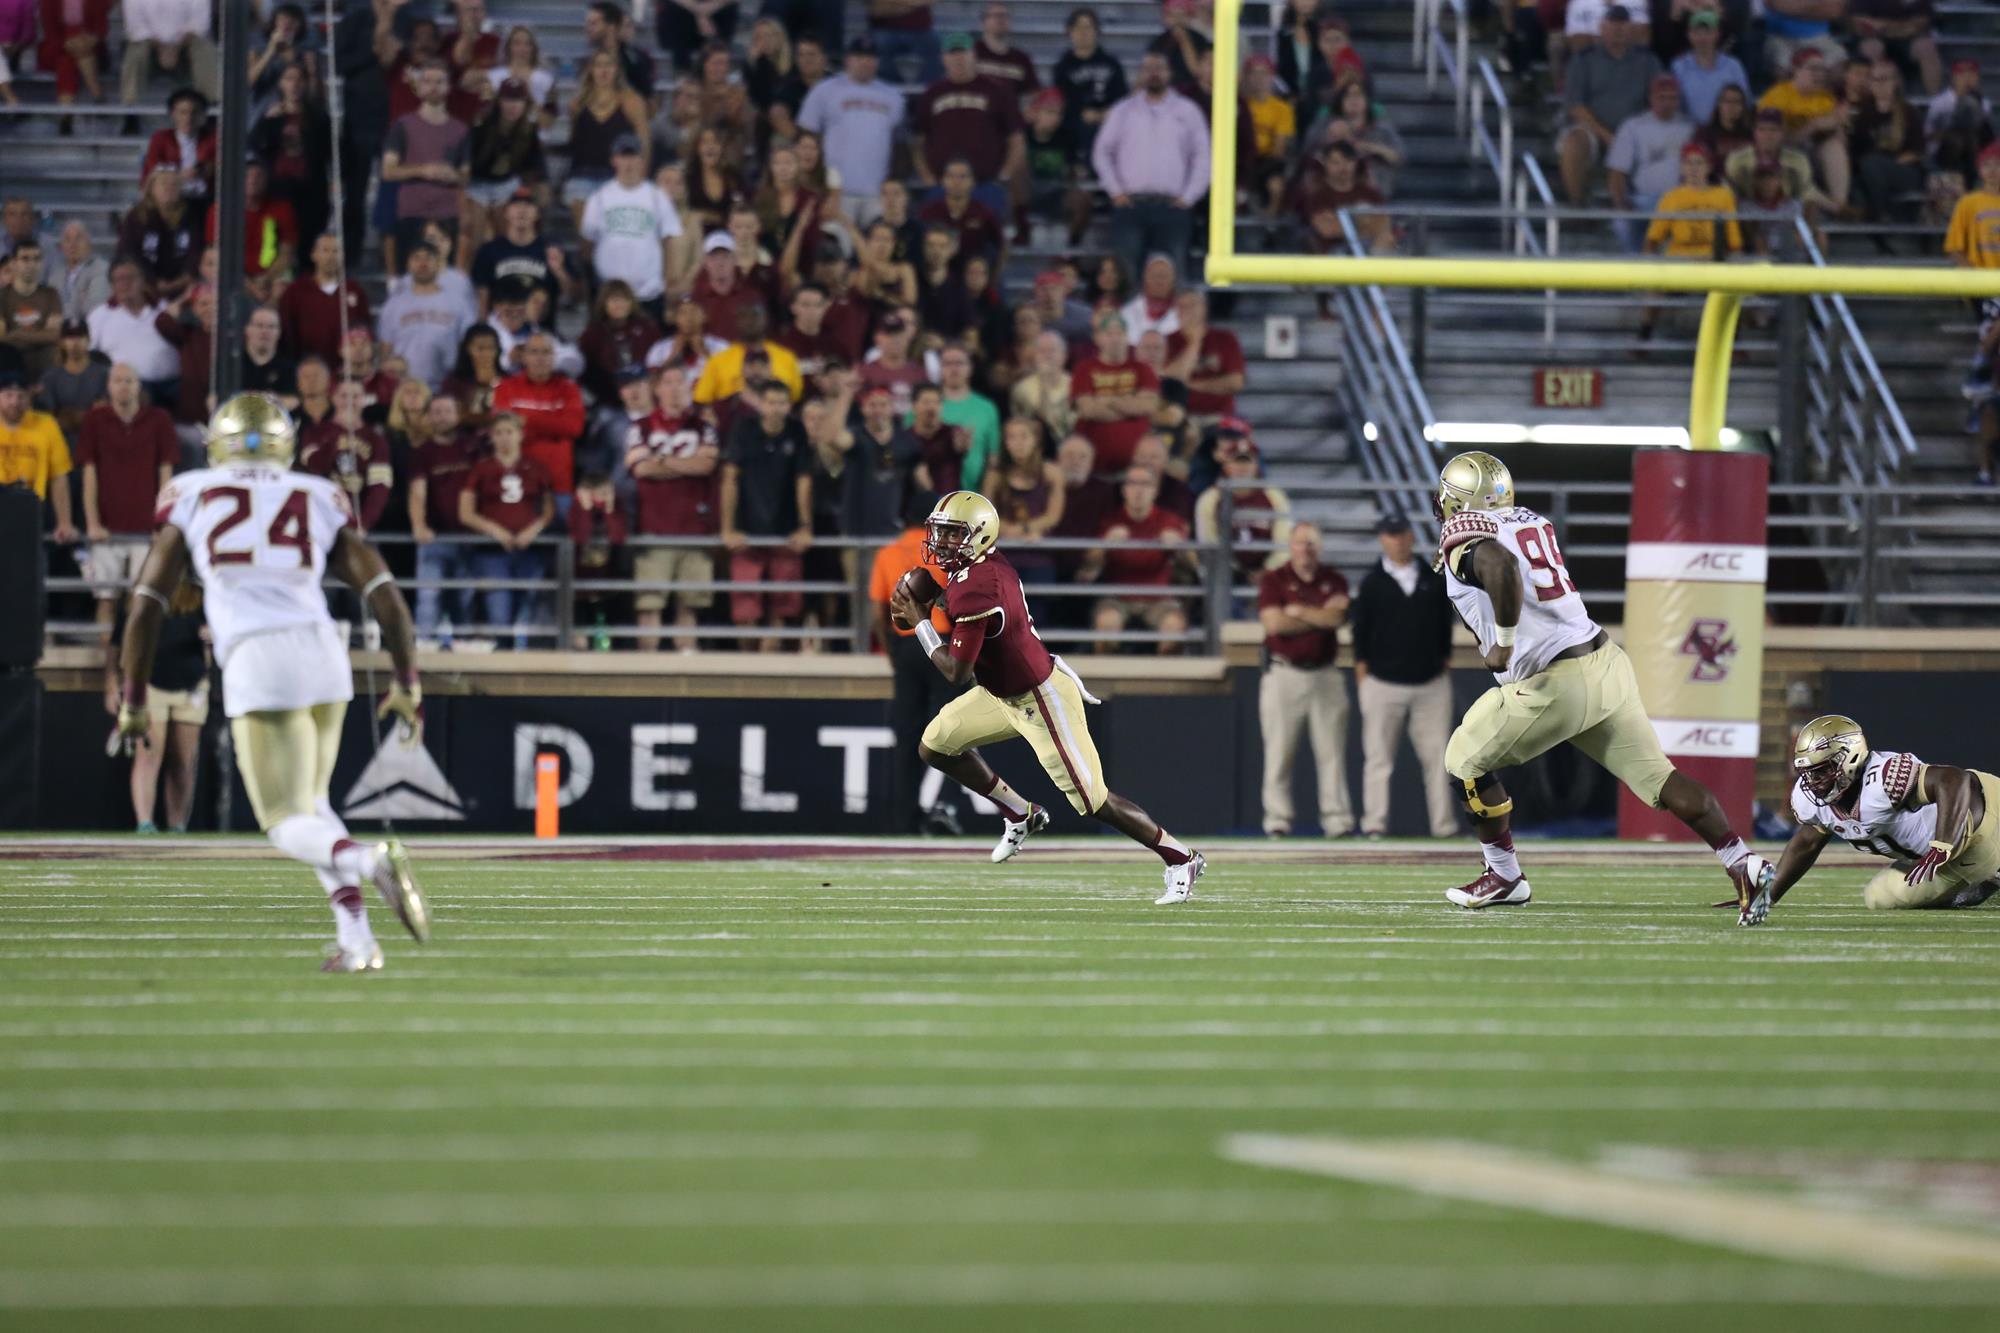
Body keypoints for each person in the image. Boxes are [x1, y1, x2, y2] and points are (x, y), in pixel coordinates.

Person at [115, 393, 428, 971]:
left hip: (259, 656)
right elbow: (386, 597)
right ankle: (358, 941)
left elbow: (147, 604)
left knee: (282, 822)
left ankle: (368, 860)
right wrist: (407, 678)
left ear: (217, 442)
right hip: (324, 652)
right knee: (311, 804)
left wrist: (133, 698)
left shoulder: (190, 491)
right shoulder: (316, 493)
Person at [1430, 450, 1773, 910]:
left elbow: (1502, 567)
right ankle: (1743, 863)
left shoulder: (1467, 540)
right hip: (1607, 663)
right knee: (1661, 777)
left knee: (1462, 760)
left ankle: (1504, 876)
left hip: (1557, 681)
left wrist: (1503, 644)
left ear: (1458, 502)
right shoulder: (1530, 520)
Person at [892, 490, 1207, 902]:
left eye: (954, 534)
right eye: (942, 532)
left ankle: (1181, 857)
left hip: (1039, 698)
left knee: (1095, 801)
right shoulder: (981, 567)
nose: (944, 543)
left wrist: (921, 622)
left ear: (980, 536)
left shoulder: (977, 589)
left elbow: (956, 671)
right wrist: (937, 598)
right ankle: (1019, 811)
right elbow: (970, 608)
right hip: (1001, 694)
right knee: (935, 746)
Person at [1740, 715, 2000, 923]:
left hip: (1977, 828)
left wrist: (1942, 845)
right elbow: (1806, 843)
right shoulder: (1810, 801)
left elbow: (1954, 780)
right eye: (1807, 773)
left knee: (1892, 894)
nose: (1813, 782)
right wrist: (1767, 896)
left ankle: (1990, 879)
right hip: (1950, 846)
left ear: (1850, 758)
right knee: (1879, 896)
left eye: (1821, 771)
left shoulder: (1883, 779)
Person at [1349, 513, 1457, 840]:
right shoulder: (1372, 583)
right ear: (1382, 539)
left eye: (1401, 534)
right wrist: (1363, 679)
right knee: (1378, 760)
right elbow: (1360, 636)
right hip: (1382, 682)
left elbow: (1444, 630)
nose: (1397, 540)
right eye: (1390, 535)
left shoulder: (1433, 578)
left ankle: (1444, 826)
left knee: (1440, 760)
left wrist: (1442, 666)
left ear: (1410, 536)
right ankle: (1374, 824)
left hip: (1430, 682)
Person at [1253, 522, 1352, 837]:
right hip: (1285, 672)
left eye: (1310, 543)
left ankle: (1337, 820)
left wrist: (1299, 611)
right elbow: (1274, 624)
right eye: (1299, 543)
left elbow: (1337, 617)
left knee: (1332, 753)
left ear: (1318, 547)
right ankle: (1277, 819)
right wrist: (1318, 615)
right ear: (1289, 546)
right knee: (1279, 751)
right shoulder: (1274, 578)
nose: (1305, 549)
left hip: (1325, 673)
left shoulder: (1333, 579)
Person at [868, 493, 958, 831]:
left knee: (907, 735)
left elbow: (877, 609)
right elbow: (958, 604)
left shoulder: (888, 553)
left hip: (906, 645)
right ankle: (941, 808)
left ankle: (904, 819)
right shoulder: (944, 554)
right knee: (952, 731)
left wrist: (892, 650)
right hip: (943, 644)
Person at [1091, 51, 1210, 284]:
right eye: (1148, 68)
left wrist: (1188, 197)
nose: (1154, 73)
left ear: (1170, 73)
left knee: (1175, 276)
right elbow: (1101, 152)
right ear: (1141, 74)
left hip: (1173, 207)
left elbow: (1203, 156)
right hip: (1130, 206)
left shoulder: (1188, 111)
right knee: (1127, 276)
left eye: (1159, 67)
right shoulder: (1122, 111)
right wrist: (1115, 192)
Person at [76, 362, 176, 635]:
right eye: (118, 381)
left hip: (145, 528)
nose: (124, 386)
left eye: (129, 381)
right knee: (106, 599)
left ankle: (133, 670)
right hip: (107, 529)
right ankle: (108, 670)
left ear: (139, 386)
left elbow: (166, 474)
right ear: (108, 386)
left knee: (141, 601)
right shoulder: (94, 421)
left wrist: (161, 523)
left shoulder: (159, 420)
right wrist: (93, 523)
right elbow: (89, 474)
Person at [627, 364, 719, 652]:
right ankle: (647, 675)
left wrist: (663, 461)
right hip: (653, 529)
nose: (675, 388)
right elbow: (641, 469)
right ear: (657, 388)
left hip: (694, 528)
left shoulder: (704, 427)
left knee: (689, 606)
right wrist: (685, 465)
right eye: (669, 382)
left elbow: (706, 465)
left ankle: (686, 673)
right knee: (649, 605)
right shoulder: (641, 427)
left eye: (681, 382)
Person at [720, 378, 814, 651]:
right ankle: (746, 668)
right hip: (745, 531)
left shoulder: (797, 431)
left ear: (789, 406)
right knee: (745, 609)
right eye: (770, 402)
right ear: (760, 404)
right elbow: (729, 479)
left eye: (781, 403)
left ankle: (768, 667)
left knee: (782, 607)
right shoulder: (743, 430)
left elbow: (804, 481)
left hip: (786, 532)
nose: (775, 408)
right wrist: (727, 527)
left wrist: (805, 526)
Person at [108, 590, 206, 833]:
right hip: (148, 682)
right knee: (149, 756)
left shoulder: (200, 596)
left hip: (191, 684)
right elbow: (117, 643)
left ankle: (178, 825)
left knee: (183, 760)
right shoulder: (139, 595)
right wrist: (112, 683)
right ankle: (144, 822)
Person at [459, 411, 554, 646]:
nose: (504, 438)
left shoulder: (535, 467)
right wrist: (494, 530)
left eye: (509, 432)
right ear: (491, 437)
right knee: (499, 608)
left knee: (528, 606)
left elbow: (548, 509)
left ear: (520, 435)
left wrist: (533, 530)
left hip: (528, 550)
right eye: (499, 433)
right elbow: (465, 512)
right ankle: (502, 658)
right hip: (492, 552)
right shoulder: (482, 468)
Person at [1077, 463, 1193, 655]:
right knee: (1106, 623)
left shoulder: (1169, 521)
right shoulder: (1110, 520)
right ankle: (1107, 682)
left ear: (1155, 491)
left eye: (1145, 484)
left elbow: (1193, 564)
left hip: (1159, 597)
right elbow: (1088, 564)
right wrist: (1104, 545)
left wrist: (1179, 547)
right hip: (1117, 597)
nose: (1138, 490)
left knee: (1174, 627)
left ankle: (1168, 683)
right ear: (1124, 490)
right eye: (1132, 484)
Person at [1558, 5, 1664, 206]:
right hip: (1593, 132)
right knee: (1573, 142)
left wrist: (1630, 136)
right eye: (1613, 25)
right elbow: (1575, 106)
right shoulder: (1584, 59)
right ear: (1601, 28)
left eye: (1623, 25)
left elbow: (1659, 98)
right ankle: (1577, 207)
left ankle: (1652, 210)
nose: (1618, 30)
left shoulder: (1648, 61)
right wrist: (1607, 136)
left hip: (1636, 131)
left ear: (1631, 28)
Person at [912, 32, 1024, 208]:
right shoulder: (931, 94)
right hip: (942, 188)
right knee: (937, 235)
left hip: (986, 186)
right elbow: (918, 142)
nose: (958, 58)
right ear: (943, 59)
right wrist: (928, 178)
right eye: (952, 53)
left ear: (974, 55)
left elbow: (1016, 139)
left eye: (963, 52)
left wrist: (1004, 176)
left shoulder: (997, 91)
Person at [798, 37, 905, 223]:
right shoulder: (824, 91)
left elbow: (899, 142)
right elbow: (808, 136)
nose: (864, 62)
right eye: (859, 57)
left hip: (877, 192)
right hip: (837, 191)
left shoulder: (892, 96)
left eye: (870, 57)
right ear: (848, 60)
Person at [381, 60, 471, 276]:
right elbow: (388, 170)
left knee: (444, 278)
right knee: (410, 277)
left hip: (447, 214)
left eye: (439, 82)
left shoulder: (461, 130)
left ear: (448, 87)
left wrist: (453, 175)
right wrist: (423, 170)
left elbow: (466, 176)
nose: (433, 86)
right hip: (412, 212)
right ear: (419, 86)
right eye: (428, 81)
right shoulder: (402, 125)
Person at [406, 392, 483, 643]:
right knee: (429, 597)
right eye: (436, 412)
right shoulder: (421, 452)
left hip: (470, 537)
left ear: (458, 415)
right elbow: (417, 492)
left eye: (447, 411)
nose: (442, 417)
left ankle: (465, 653)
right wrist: (419, 525)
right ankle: (423, 653)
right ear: (428, 417)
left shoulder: (472, 448)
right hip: (435, 538)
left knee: (465, 599)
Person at [580, 136, 685, 320]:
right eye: (623, 156)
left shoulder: (657, 196)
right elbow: (588, 243)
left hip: (649, 292)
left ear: (641, 160)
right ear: (614, 160)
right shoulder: (599, 198)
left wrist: (670, 279)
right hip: (610, 294)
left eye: (632, 156)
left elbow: (670, 241)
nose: (628, 162)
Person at [493, 332, 587, 499]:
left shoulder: (569, 389)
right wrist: (553, 425)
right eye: (534, 352)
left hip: (558, 483)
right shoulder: (505, 387)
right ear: (524, 357)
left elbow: (574, 428)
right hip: (516, 481)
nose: (540, 358)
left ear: (554, 357)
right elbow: (503, 430)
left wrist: (526, 420)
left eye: (546, 352)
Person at [1607, 75, 1694, 252]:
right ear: (1651, 98)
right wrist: (1620, 203)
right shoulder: (1633, 126)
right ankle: (1635, 270)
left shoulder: (1690, 128)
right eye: (1662, 97)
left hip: (1679, 200)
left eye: (1672, 98)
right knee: (1621, 223)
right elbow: (1616, 171)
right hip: (1642, 201)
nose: (1667, 103)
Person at [1760, 47, 1851, 213]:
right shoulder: (1777, 96)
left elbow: (1841, 143)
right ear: (1796, 69)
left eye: (1823, 70)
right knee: (1795, 163)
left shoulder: (1826, 99)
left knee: (1834, 146)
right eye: (1814, 68)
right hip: (1784, 155)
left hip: (1814, 156)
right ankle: (1835, 209)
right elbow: (1770, 143)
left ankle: (1841, 204)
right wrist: (1812, 126)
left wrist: (1839, 125)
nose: (1820, 75)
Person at [1070, 310, 1160, 475]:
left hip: (1137, 467)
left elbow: (1148, 406)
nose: (1115, 339)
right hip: (1094, 467)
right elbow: (1087, 410)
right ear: (1098, 338)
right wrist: (1130, 404)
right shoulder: (1084, 368)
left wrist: (1107, 401)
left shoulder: (1142, 368)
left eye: (1120, 333)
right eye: (1109, 334)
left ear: (1127, 337)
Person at [297, 380, 392, 531]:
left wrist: (364, 523)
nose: (349, 401)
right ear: (333, 398)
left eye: (355, 396)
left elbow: (379, 485)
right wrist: (338, 434)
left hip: (356, 521)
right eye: (344, 396)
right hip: (320, 518)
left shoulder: (376, 439)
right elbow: (315, 466)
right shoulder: (314, 432)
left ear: (364, 399)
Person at [376, 242, 471, 391]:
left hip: (447, 386)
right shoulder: (393, 305)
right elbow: (385, 349)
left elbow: (467, 344)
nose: (423, 263)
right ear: (408, 264)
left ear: (438, 263)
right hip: (404, 387)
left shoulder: (458, 303)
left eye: (428, 258)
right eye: (417, 258)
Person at [87, 261, 179, 407]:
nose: (124, 284)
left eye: (130, 278)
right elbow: (90, 356)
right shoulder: (100, 315)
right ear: (112, 285)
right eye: (119, 280)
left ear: (143, 281)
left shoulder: (165, 308)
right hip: (129, 390)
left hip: (173, 386)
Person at [278, 233, 373, 368]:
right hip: (307, 368)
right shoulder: (296, 291)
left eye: (336, 251)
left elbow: (365, 329)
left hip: (345, 371)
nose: (331, 256)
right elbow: (287, 332)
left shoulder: (355, 291)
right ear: (313, 255)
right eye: (325, 250)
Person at [1851, 59, 1928, 226]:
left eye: (1885, 79)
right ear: (1870, 83)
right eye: (1875, 79)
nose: (1880, 84)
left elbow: (1918, 151)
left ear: (1896, 82)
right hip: (1868, 168)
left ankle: (1878, 213)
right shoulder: (1863, 113)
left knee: (1872, 165)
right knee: (1868, 166)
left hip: (1904, 169)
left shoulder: (1909, 112)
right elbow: (1856, 149)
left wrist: (1888, 164)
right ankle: (1882, 213)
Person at [119, 0, 217, 107]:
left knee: (204, 47)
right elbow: (136, 29)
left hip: (184, 50)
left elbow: (199, 26)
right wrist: (162, 49)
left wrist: (175, 49)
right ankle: (130, 107)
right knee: (137, 49)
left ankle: (210, 103)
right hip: (151, 49)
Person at [142, 86, 217, 210]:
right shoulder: (160, 138)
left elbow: (218, 165)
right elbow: (152, 169)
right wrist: (178, 175)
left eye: (194, 112)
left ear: (203, 115)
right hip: (171, 198)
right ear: (172, 114)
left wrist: (207, 170)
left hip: (205, 199)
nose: (188, 118)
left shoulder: (213, 139)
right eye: (183, 112)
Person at [0, 240, 63, 376]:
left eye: (36, 259)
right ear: (13, 263)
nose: (31, 264)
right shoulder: (2, 296)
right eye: (25, 259)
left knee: (55, 350)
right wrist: (39, 335)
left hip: (44, 363)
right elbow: (1, 336)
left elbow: (54, 335)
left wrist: (18, 334)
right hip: (8, 366)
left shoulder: (51, 294)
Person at [49, 222, 111, 325]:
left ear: (89, 242)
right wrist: (80, 300)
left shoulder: (102, 269)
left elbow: (94, 309)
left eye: (78, 238)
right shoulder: (55, 276)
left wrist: (61, 317)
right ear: (61, 246)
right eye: (67, 239)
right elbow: (49, 311)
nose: (73, 244)